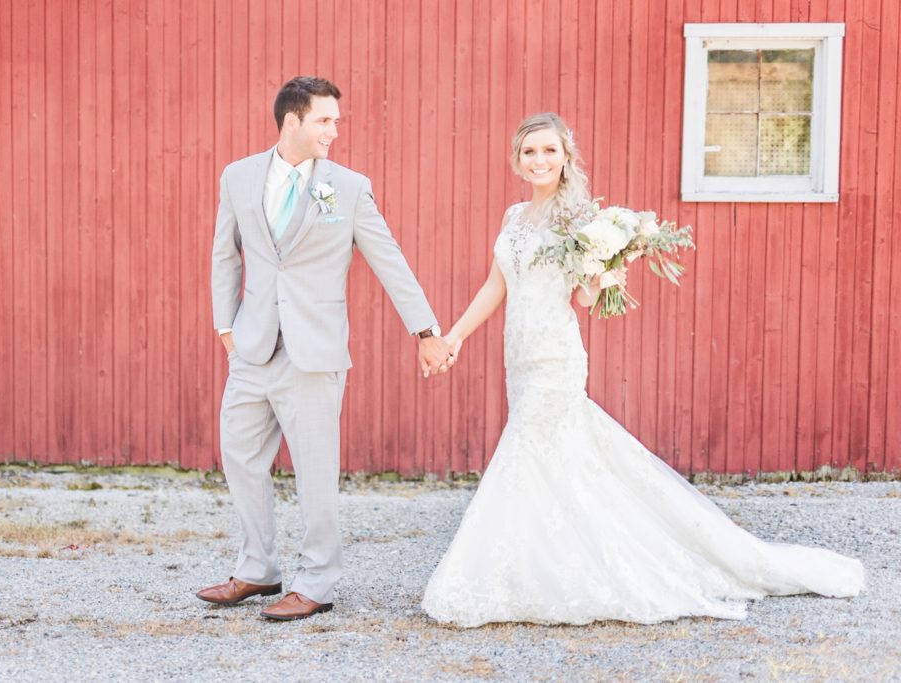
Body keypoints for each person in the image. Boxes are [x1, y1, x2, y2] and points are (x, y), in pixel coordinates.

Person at [421, 112, 864, 627]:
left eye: (549, 151)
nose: (539, 160)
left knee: (526, 451)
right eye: (529, 152)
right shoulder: (513, 217)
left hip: (556, 357)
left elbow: (585, 298)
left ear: (566, 159)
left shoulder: (580, 219)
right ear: (517, 161)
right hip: (517, 356)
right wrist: (453, 335)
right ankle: (554, 562)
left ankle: (510, 575)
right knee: (561, 459)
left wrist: (609, 266)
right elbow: (496, 286)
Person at [201, 76, 452, 621]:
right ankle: (258, 569)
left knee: (315, 470)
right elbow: (227, 255)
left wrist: (425, 331)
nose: (335, 131)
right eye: (324, 120)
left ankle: (317, 581)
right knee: (240, 457)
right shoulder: (239, 176)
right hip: (252, 347)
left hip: (314, 351)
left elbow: (390, 259)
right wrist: (226, 328)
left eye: (336, 120)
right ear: (292, 121)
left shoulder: (348, 186)